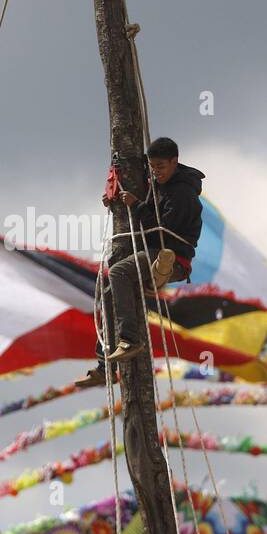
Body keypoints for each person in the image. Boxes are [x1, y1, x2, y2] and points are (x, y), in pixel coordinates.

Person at [75, 137, 205, 389]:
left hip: (173, 255)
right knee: (109, 291)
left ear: (174, 162)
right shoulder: (156, 184)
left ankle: (130, 338)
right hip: (152, 252)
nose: (157, 172)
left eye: (161, 167)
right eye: (153, 167)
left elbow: (161, 233)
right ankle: (105, 365)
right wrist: (116, 202)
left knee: (119, 271)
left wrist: (135, 206)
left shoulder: (182, 194)